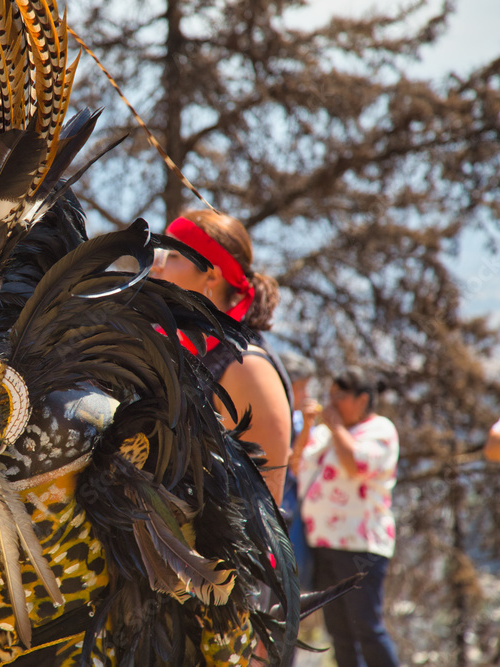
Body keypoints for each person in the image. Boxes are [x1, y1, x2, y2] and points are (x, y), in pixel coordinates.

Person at [151, 210, 292, 503]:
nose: (156, 266)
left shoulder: (247, 369)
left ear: (211, 275)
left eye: (172, 256)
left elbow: (265, 508)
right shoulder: (166, 348)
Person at [292, 366, 400, 667]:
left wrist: (337, 428)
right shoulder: (326, 431)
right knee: (339, 632)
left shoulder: (380, 430)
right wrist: (310, 426)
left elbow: (357, 466)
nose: (331, 405)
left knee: (367, 628)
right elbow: (296, 465)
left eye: (339, 397)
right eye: (329, 397)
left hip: (361, 547)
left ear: (362, 399)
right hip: (324, 543)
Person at [279, 350, 316, 590]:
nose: (306, 395)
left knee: (294, 566)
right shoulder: (275, 415)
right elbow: (288, 461)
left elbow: (300, 464)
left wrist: (307, 424)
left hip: (293, 502)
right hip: (275, 497)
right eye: (300, 387)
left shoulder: (300, 419)